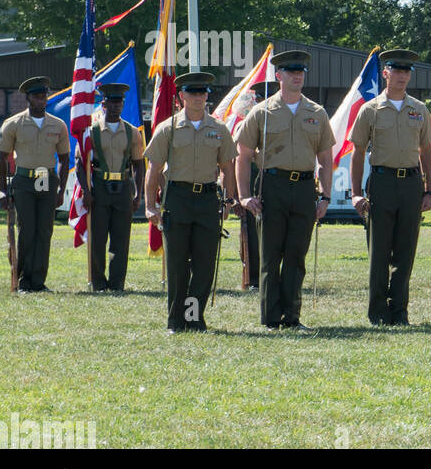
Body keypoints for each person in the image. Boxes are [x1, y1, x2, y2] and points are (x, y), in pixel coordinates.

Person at [235, 50, 334, 331]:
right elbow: (242, 156)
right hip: (272, 187)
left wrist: (325, 196)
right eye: (291, 71)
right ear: (278, 76)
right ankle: (270, 317)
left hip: (304, 189)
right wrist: (243, 196)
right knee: (270, 255)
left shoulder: (316, 113)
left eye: (301, 71)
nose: (297, 76)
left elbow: (325, 159)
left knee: (296, 255)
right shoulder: (262, 112)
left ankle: (291, 317)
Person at [347, 49, 431, 326]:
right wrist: (357, 193)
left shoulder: (419, 109)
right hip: (382, 182)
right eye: (396, 71)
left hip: (411, 184)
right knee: (379, 251)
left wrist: (428, 189)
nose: (401, 76)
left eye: (406, 71)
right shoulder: (370, 109)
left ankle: (399, 311)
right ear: (385, 73)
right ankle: (378, 312)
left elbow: (427, 150)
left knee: (406, 250)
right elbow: (358, 152)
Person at [143, 72, 239, 332]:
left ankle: (194, 318)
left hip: (208, 200)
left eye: (203, 92)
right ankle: (176, 321)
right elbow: (153, 170)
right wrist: (150, 205)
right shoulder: (168, 129)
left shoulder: (218, 129)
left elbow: (228, 168)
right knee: (177, 264)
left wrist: (228, 201)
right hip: (178, 199)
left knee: (204, 263)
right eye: (192, 93)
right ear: (181, 96)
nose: (198, 97)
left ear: (207, 95)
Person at [0, 77, 69, 293]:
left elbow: (64, 159)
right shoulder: (14, 123)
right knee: (26, 229)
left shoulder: (58, 124)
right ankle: (22, 279)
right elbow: (1, 158)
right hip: (24, 180)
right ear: (27, 98)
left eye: (44, 96)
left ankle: (38, 281)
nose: (41, 100)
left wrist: (61, 190)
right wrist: (1, 189)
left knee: (44, 230)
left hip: (47, 179)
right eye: (37, 96)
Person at [78, 83, 146, 291]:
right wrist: (86, 192)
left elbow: (138, 164)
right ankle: (98, 282)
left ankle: (117, 283)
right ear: (104, 104)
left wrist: (138, 193)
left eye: (120, 102)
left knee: (121, 238)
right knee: (98, 238)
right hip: (99, 187)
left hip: (123, 187)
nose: (116, 106)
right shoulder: (92, 131)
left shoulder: (132, 132)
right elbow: (81, 164)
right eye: (112, 102)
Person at [236, 80, 278, 290]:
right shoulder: (248, 122)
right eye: (262, 98)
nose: (265, 102)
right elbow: (238, 159)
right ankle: (253, 277)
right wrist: (238, 196)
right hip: (253, 180)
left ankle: (275, 275)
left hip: (274, 181)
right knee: (252, 233)